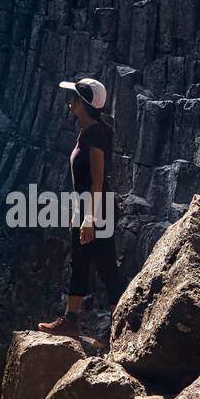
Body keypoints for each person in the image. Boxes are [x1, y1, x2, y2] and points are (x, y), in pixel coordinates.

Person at [38, 77, 125, 343]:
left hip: (97, 210)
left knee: (104, 266)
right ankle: (78, 321)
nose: (69, 101)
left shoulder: (96, 133)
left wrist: (89, 219)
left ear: (83, 103)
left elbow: (97, 179)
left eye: (74, 96)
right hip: (89, 208)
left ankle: (112, 323)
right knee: (85, 262)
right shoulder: (87, 130)